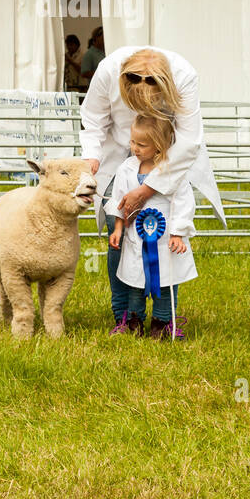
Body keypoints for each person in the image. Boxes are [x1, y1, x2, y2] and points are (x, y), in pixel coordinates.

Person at [79, 46, 224, 339]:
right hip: (120, 154)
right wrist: (92, 155)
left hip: (168, 157)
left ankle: (163, 318)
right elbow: (93, 118)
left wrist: (146, 190)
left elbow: (187, 140)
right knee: (118, 229)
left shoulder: (183, 76)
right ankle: (125, 316)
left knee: (163, 236)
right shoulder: (108, 70)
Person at [107, 115, 197, 339]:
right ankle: (134, 322)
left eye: (142, 144)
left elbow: (184, 202)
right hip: (135, 237)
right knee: (134, 281)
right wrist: (118, 228)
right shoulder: (126, 168)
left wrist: (177, 234)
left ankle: (162, 324)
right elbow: (119, 199)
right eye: (132, 142)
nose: (135, 148)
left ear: (159, 145)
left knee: (165, 282)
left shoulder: (173, 171)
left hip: (165, 240)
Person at [80, 26, 105, 91]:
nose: (105, 39)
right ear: (96, 38)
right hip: (96, 89)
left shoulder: (107, 51)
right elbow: (84, 73)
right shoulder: (89, 54)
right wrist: (102, 74)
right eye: (102, 37)